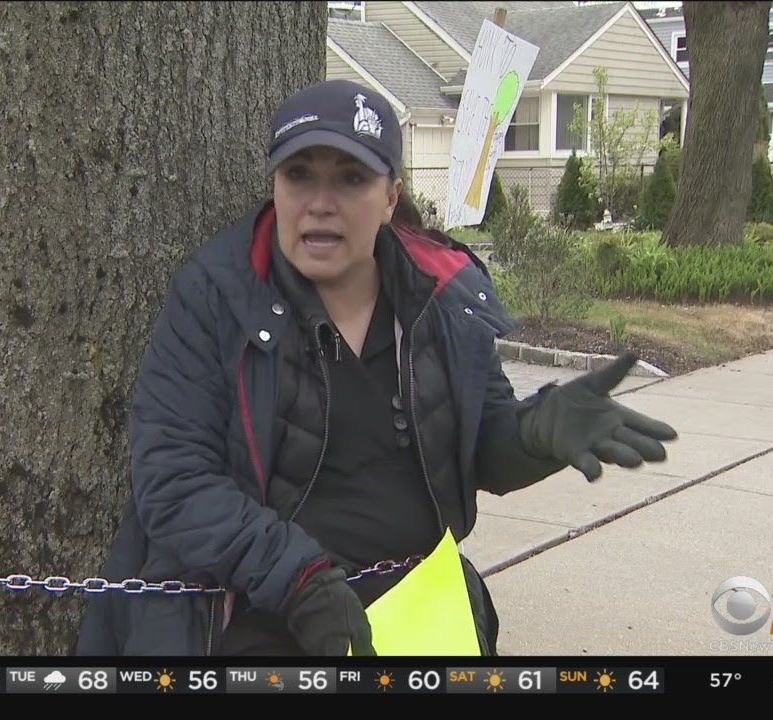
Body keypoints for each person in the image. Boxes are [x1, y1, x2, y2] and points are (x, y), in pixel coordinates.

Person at [75, 79, 677, 657]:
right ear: (275, 186)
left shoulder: (446, 297)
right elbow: (174, 480)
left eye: (351, 179)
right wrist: (301, 582)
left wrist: (536, 432)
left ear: (390, 197)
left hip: (419, 604)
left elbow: (480, 447)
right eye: (298, 175)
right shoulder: (216, 296)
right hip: (256, 607)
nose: (319, 203)